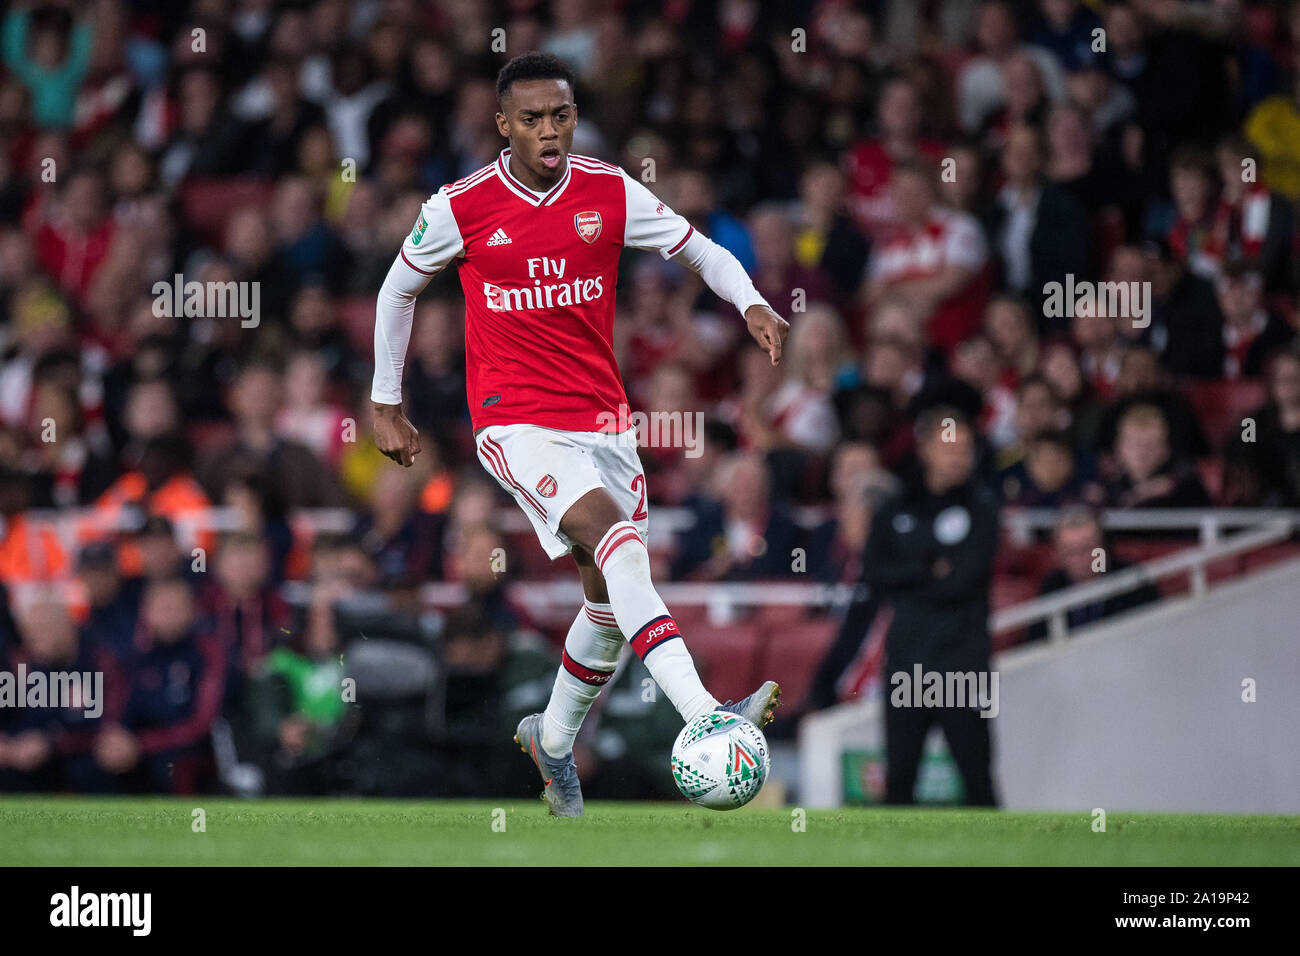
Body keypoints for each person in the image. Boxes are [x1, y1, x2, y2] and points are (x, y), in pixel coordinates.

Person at [369, 53, 786, 817]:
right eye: (531, 119)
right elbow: (399, 288)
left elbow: (697, 248)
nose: (549, 130)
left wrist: (751, 301)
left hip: (603, 421)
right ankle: (704, 713)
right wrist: (385, 400)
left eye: (560, 115)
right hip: (514, 418)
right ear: (503, 126)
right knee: (616, 542)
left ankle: (552, 741)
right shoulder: (460, 206)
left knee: (606, 607)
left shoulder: (608, 190)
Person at [864, 407, 999, 806]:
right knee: (900, 780)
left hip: (963, 662)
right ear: (924, 450)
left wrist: (911, 574)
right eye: (948, 449)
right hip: (907, 661)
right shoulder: (896, 506)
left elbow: (964, 579)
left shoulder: (983, 507)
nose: (957, 457)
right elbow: (874, 574)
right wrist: (928, 567)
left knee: (978, 779)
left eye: (964, 449)